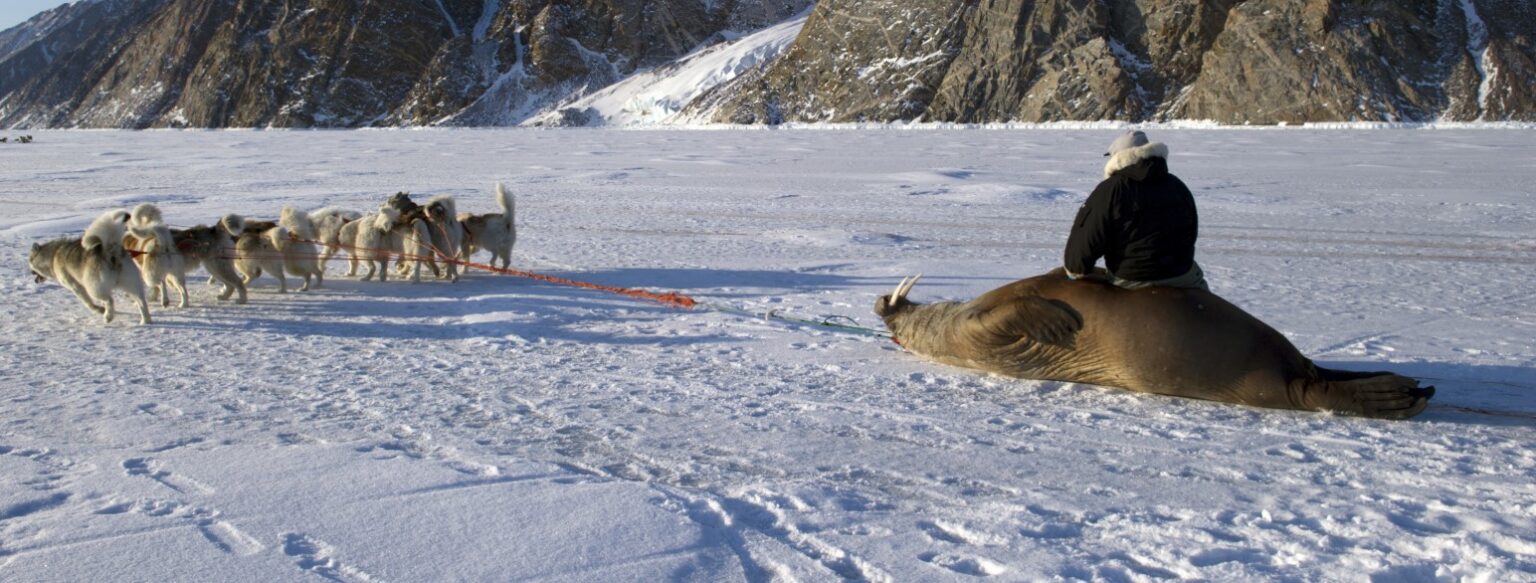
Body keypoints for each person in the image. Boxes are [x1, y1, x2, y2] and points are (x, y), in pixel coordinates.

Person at [1063, 130, 1208, 291]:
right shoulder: (1177, 185)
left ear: (1118, 158)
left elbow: (1086, 239)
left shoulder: (1111, 189)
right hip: (1182, 275)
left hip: (1132, 278)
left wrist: (1076, 269)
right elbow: (1191, 231)